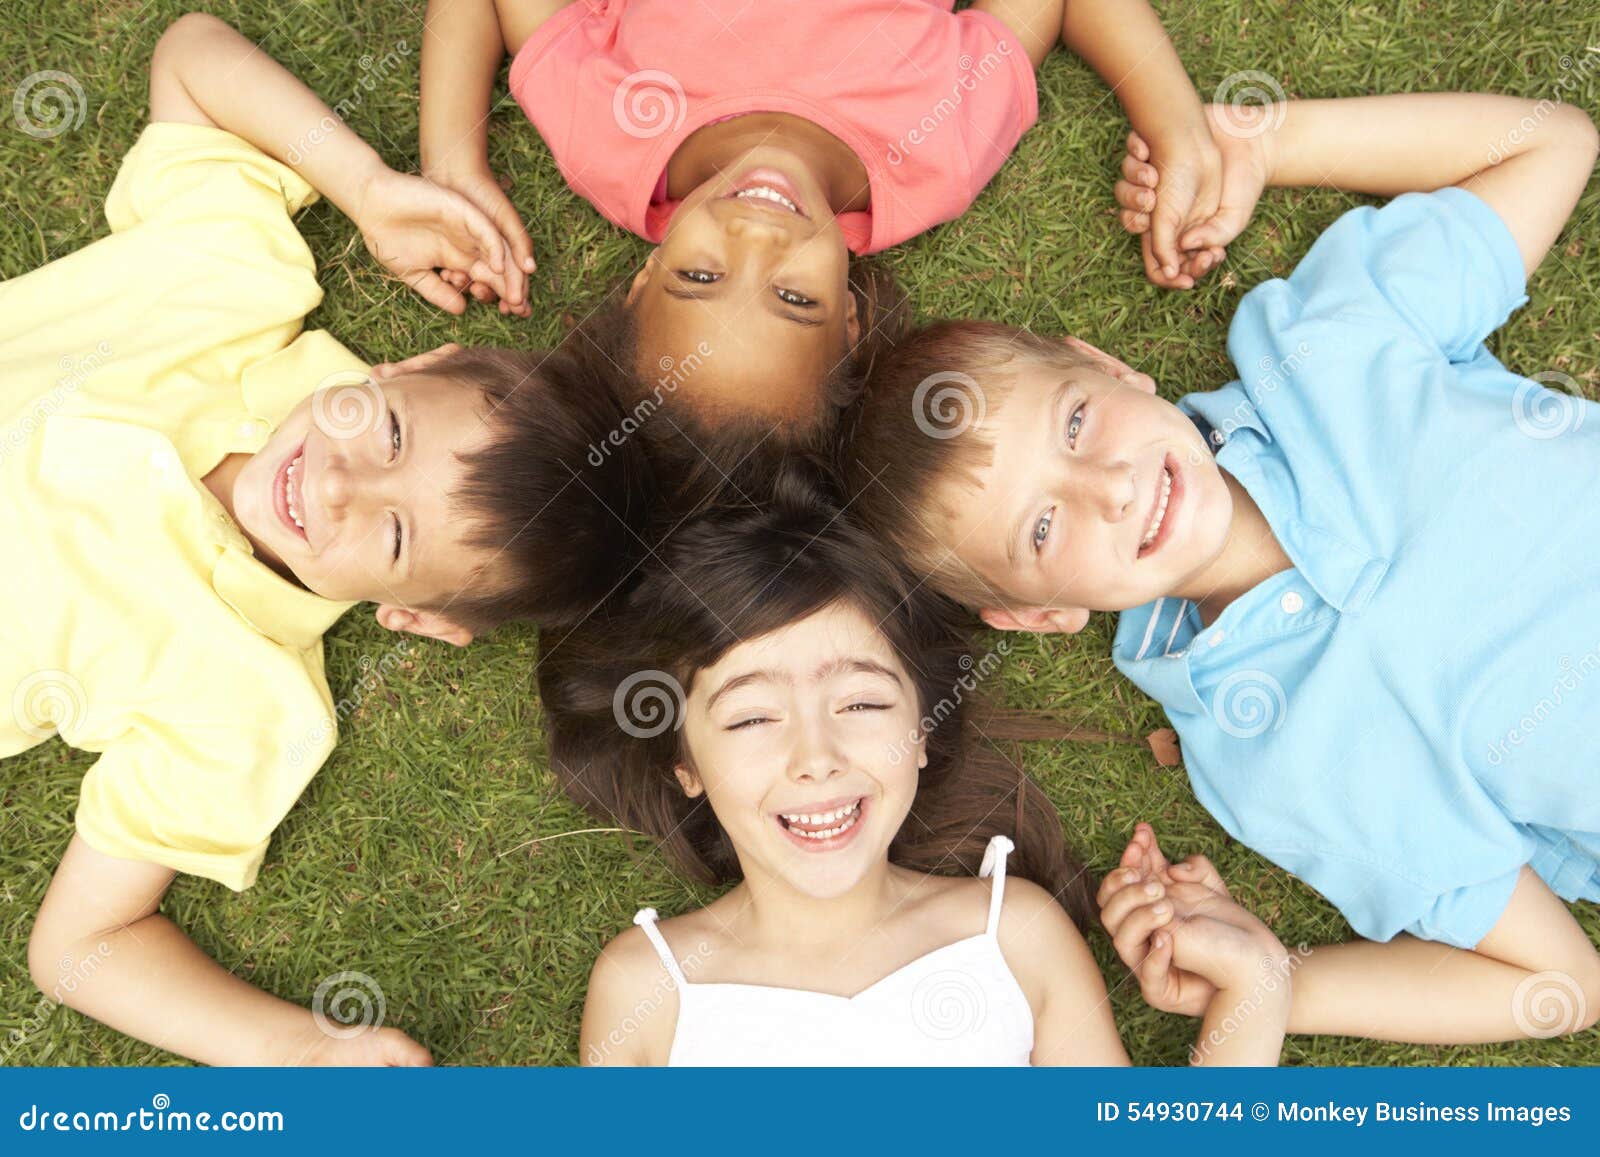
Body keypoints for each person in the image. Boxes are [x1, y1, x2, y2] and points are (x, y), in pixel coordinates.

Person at [842, 91, 1600, 1043]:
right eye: (1041, 528)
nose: (1111, 489)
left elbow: (1551, 146)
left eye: (1075, 423)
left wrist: (1261, 145)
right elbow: (1560, 980)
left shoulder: (1325, 347)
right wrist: (1267, 983)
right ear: (1039, 615)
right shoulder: (1270, 753)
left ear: (1110, 366)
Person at [6, 13, 650, 1066]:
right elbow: (191, 57)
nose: (339, 484)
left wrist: (298, 1051)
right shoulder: (234, 285)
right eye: (388, 431)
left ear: (416, 616)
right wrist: (368, 188)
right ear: (406, 365)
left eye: (393, 535)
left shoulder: (242, 708)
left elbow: (80, 947)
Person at [540, 470, 1291, 1064]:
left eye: (861, 703)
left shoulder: (1014, 936)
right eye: (752, 718)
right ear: (685, 764)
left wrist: (1255, 983)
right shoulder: (649, 990)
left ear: (924, 730)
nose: (816, 758)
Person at [417, 0, 1220, 439]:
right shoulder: (937, 149)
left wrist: (451, 165)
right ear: (850, 320)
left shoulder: (607, 135)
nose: (757, 241)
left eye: (701, 276)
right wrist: (1178, 128)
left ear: (643, 281)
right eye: (793, 299)